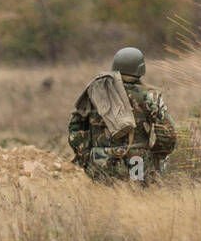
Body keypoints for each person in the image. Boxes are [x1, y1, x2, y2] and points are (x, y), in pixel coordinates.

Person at [67, 47, 176, 183]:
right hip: (138, 163)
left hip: (100, 163)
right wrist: (156, 156)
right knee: (138, 200)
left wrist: (86, 156)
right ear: (141, 68)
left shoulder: (96, 91)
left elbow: (75, 128)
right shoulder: (150, 95)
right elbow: (168, 133)